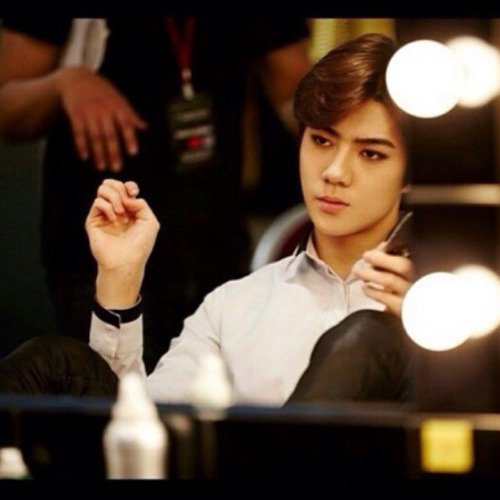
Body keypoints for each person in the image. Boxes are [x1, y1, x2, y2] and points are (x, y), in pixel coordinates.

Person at [0, 32, 415, 406]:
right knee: (52, 361)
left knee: (368, 336)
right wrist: (119, 278)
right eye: (322, 141)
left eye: (370, 153)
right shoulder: (233, 305)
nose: (335, 172)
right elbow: (149, 424)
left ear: (414, 172)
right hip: (228, 455)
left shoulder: (434, 303)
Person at [0, 16, 311, 372]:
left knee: (211, 393)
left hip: (216, 240)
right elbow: (6, 106)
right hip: (100, 252)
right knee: (113, 394)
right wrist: (65, 83)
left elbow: (296, 91)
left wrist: (348, 137)